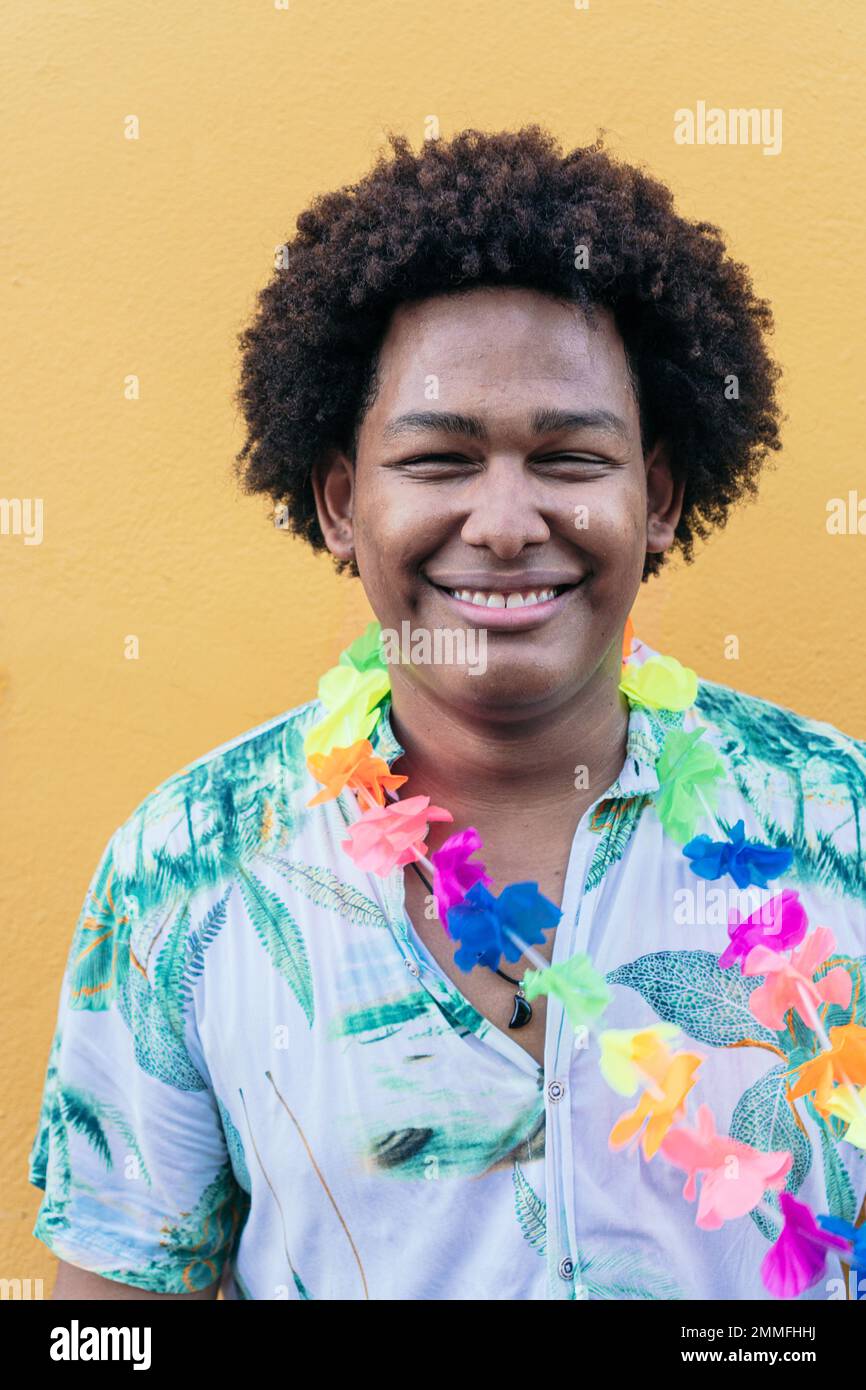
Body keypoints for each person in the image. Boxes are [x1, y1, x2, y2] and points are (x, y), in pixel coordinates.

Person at [30, 127, 866, 1302]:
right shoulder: (184, 869)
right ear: (338, 504)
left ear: (658, 499)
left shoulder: (840, 823)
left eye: (570, 457)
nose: (506, 521)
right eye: (438, 459)